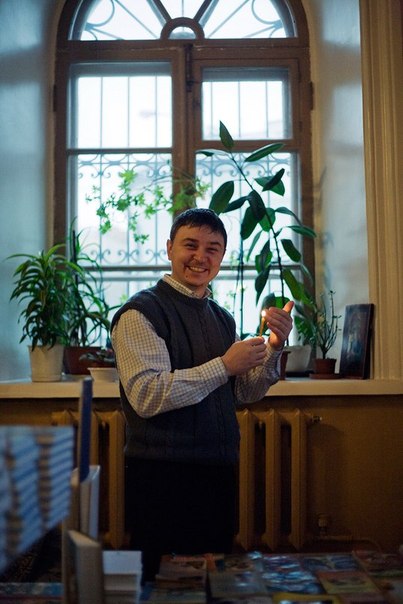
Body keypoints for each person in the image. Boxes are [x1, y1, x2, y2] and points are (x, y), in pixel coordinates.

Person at [111, 208, 293, 581]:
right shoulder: (139, 313)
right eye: (190, 245)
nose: (201, 257)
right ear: (169, 248)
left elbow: (243, 393)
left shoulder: (221, 317)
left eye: (212, 249)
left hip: (218, 471)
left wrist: (275, 346)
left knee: (215, 581)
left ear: (222, 256)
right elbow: (147, 395)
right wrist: (224, 365)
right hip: (162, 476)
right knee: (163, 582)